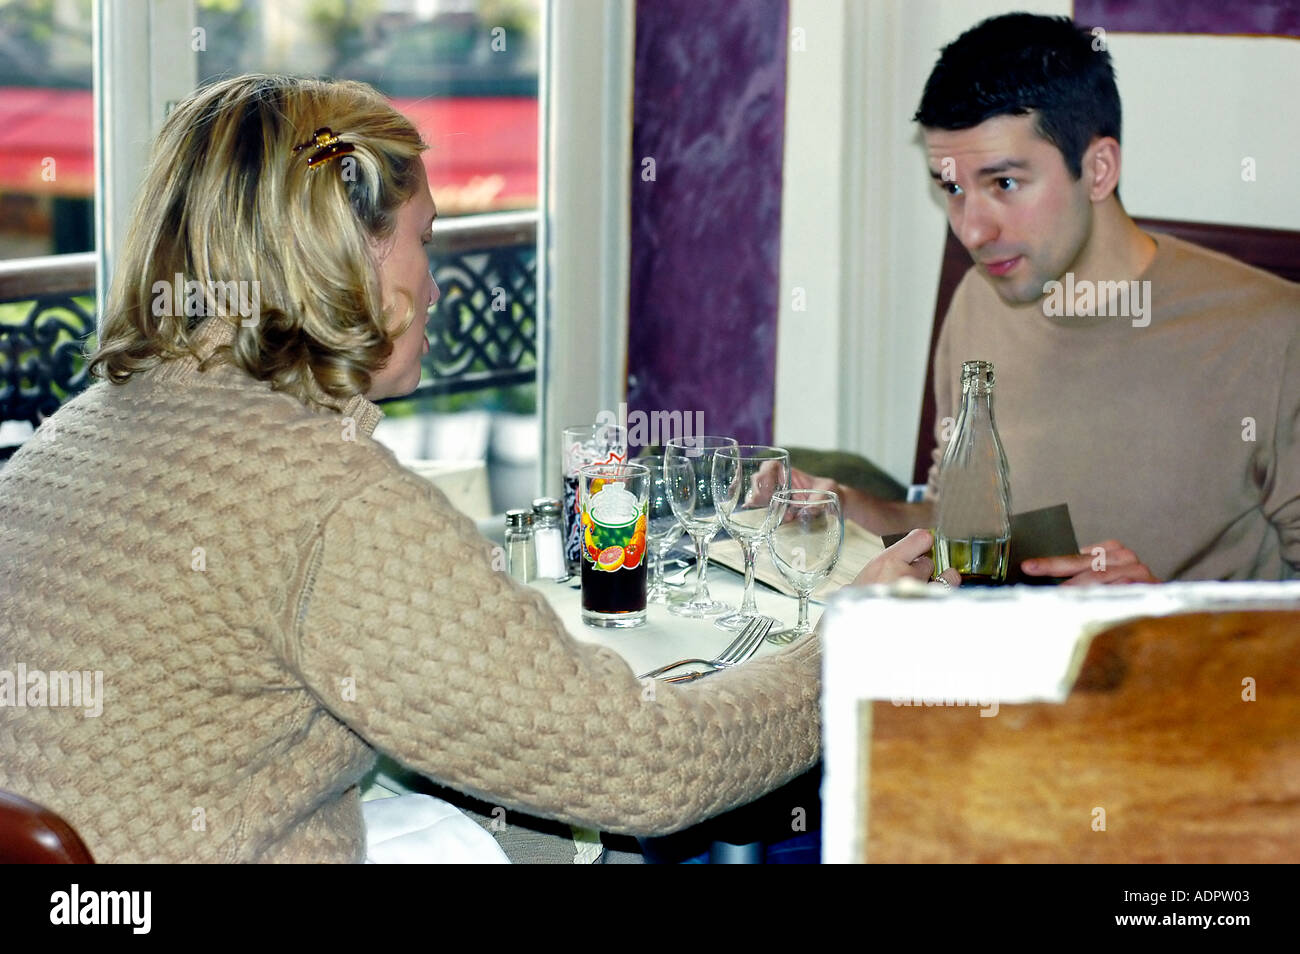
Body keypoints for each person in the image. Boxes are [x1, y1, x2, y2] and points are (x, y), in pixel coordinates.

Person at [0, 75, 950, 864]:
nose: (438, 277)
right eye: (424, 238)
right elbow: (645, 769)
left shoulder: (74, 434)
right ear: (344, 257)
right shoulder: (327, 501)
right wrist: (853, 641)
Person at [796, 12, 1300, 584]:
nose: (972, 232)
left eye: (1004, 184)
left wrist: (1161, 623)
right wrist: (840, 508)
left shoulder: (1274, 334)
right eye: (953, 189)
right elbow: (960, 525)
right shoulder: (980, 298)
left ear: (1098, 169)